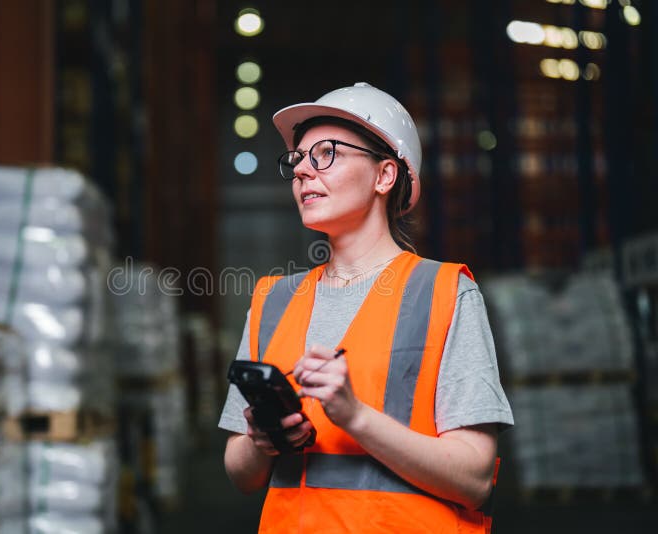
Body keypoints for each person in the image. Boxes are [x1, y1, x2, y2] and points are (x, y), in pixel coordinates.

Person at [218, 82, 514, 533]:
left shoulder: (444, 293)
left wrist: (354, 416)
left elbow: (474, 478)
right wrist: (263, 440)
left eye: (326, 154)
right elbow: (241, 474)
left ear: (384, 176)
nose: (302, 172)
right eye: (298, 159)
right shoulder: (271, 301)